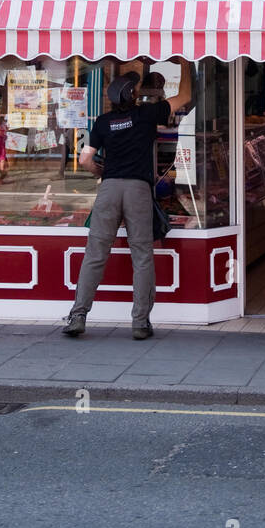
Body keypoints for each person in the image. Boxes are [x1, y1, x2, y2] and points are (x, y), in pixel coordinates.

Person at [62, 63, 192, 340]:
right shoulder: (146, 114)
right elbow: (184, 96)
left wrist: (102, 171)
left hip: (109, 189)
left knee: (95, 254)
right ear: (133, 96)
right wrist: (187, 63)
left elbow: (85, 158)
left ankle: (78, 314)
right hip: (137, 190)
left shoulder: (103, 122)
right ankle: (140, 322)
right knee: (142, 255)